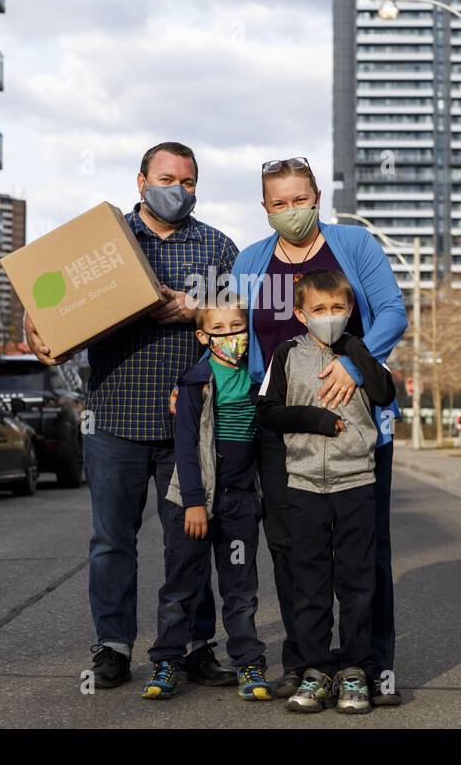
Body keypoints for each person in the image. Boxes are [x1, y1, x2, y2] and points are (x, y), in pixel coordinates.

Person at [25, 141, 237, 689]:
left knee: (189, 539)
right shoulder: (102, 242)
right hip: (113, 418)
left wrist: (195, 308)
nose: (178, 190)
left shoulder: (216, 247)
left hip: (187, 425)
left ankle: (194, 644)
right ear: (141, 182)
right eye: (167, 178)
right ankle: (113, 646)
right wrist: (33, 323)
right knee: (110, 541)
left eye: (189, 182)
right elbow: (48, 296)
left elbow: (241, 322)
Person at [231, 157, 408, 704]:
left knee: (365, 549)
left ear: (316, 199)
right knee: (291, 549)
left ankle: (371, 667)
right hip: (282, 428)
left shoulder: (352, 247)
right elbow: (229, 331)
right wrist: (193, 384)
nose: (291, 210)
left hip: (354, 422)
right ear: (265, 208)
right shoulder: (250, 261)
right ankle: (307, 664)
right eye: (279, 203)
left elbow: (392, 313)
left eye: (300, 198)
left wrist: (357, 365)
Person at [257, 268, 397, 714]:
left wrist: (355, 349)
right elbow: (269, 413)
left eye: (338, 308)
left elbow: (385, 390)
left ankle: (355, 670)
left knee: (357, 582)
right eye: (319, 309)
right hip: (303, 486)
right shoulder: (285, 355)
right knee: (310, 584)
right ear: (300, 313)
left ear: (350, 309)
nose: (329, 316)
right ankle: (316, 670)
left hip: (356, 482)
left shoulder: (364, 353)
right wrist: (314, 420)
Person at [140, 300, 271, 702]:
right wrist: (195, 502)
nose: (232, 335)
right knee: (182, 585)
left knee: (241, 590)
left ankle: (248, 662)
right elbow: (185, 447)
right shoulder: (195, 381)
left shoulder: (257, 380)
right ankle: (167, 660)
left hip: (240, 504)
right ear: (204, 336)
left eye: (238, 326)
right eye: (220, 328)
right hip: (194, 503)